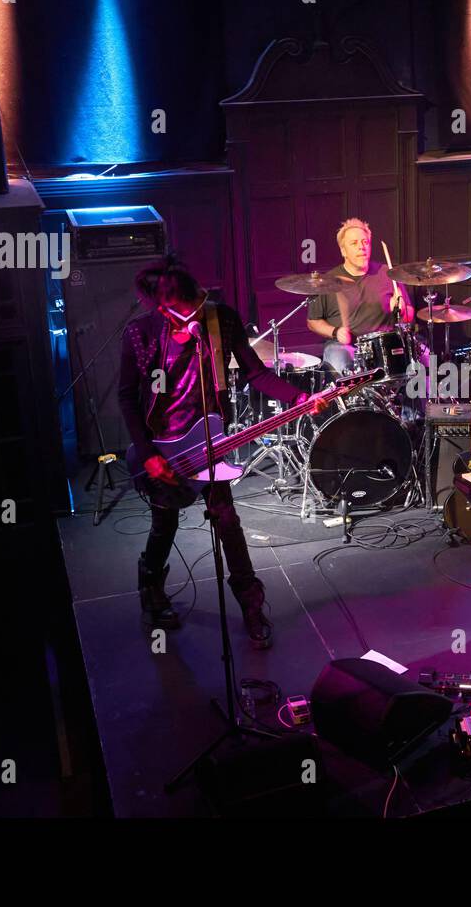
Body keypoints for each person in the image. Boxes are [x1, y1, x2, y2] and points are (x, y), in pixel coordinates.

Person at [117, 259, 322, 647]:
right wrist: (146, 453)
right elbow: (127, 397)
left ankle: (251, 606)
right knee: (165, 526)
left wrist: (298, 397)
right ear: (164, 308)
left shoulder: (220, 320)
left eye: (198, 302)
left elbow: (255, 373)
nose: (197, 311)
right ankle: (152, 594)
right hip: (164, 447)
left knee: (228, 523)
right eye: (186, 308)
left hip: (209, 443)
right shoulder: (140, 334)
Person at [306, 218, 414, 374]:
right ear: (343, 251)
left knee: (421, 362)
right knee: (338, 358)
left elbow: (409, 316)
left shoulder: (388, 274)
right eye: (354, 243)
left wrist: (402, 310)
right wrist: (336, 332)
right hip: (346, 346)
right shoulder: (328, 281)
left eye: (365, 242)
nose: (361, 247)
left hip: (384, 344)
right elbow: (313, 321)